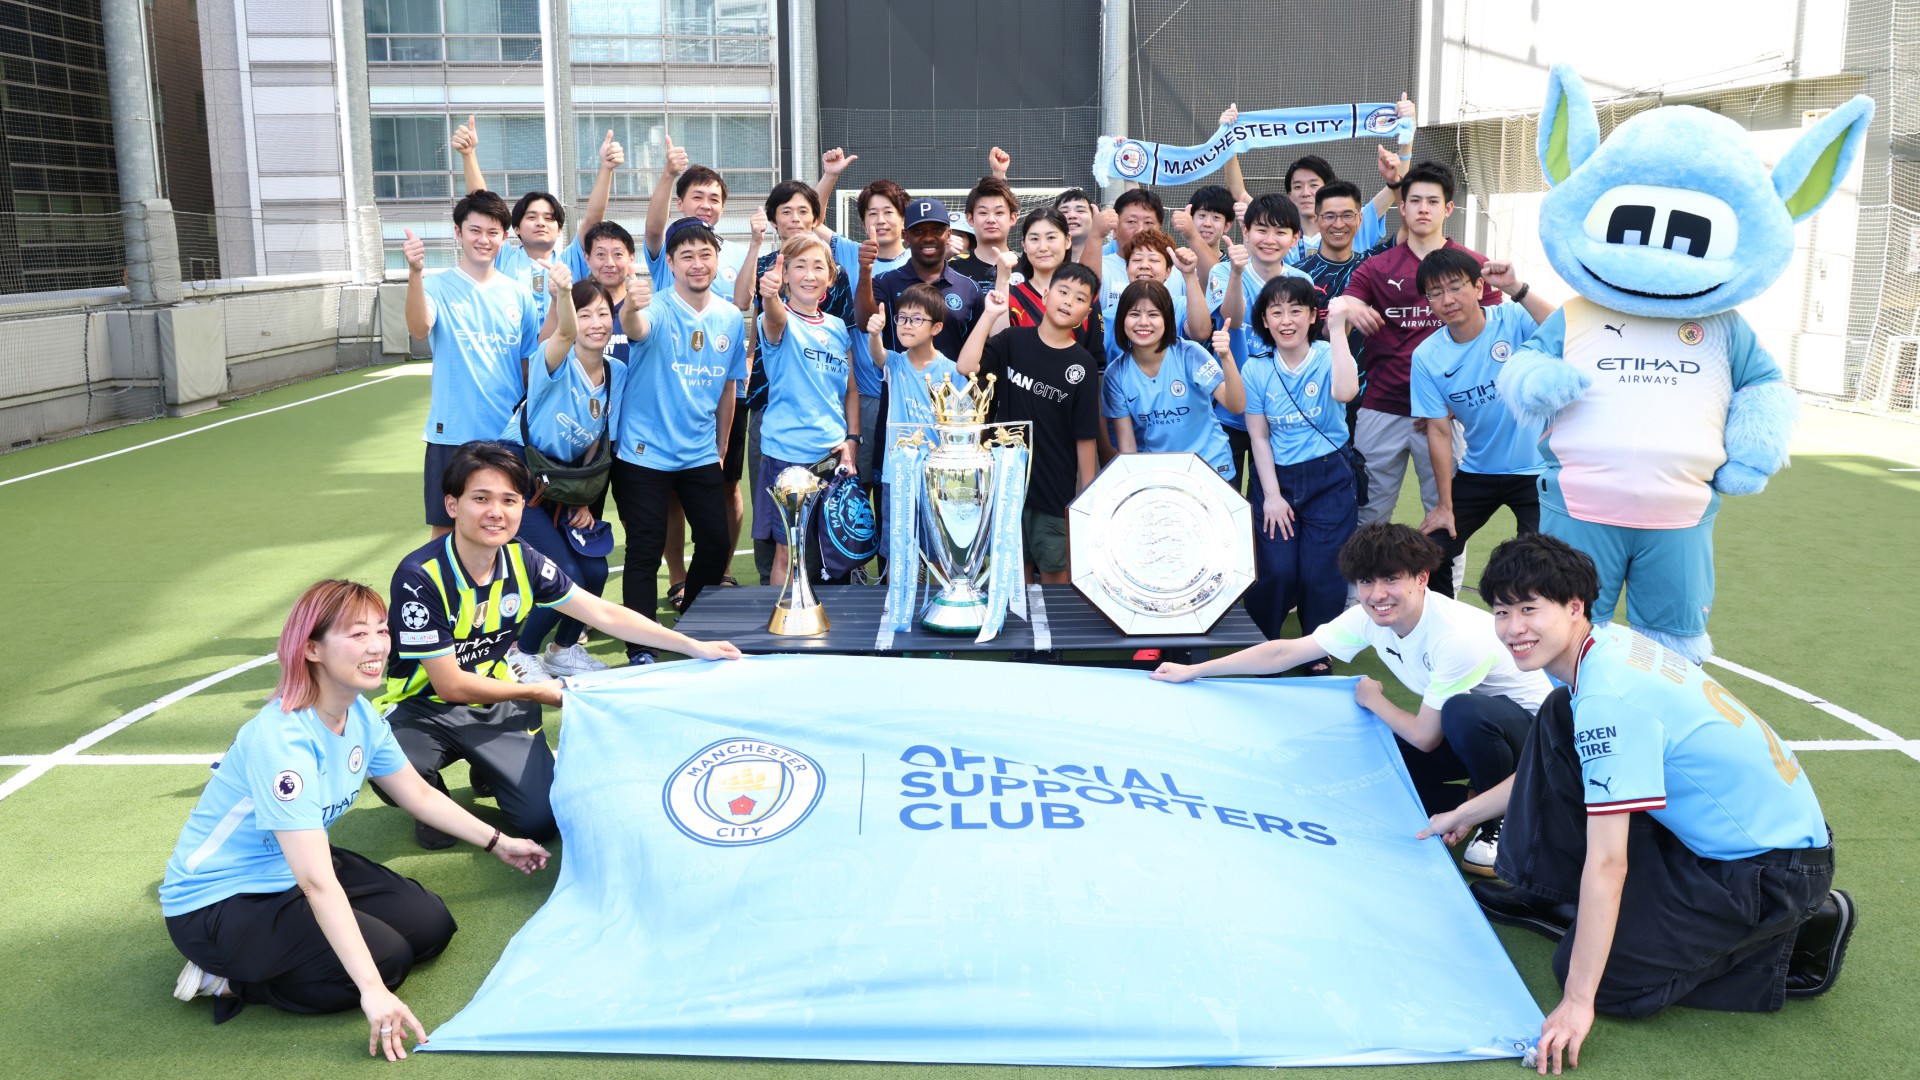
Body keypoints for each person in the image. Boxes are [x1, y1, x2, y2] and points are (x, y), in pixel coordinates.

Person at [1424, 533, 1854, 1074]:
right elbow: (1566, 770)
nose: (1513, 628)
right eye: (1503, 611)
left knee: (1605, 985)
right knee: (1559, 716)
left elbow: (1609, 861)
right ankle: (1568, 901)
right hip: (1717, 840)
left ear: (1574, 606)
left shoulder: (1609, 699)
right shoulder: (1607, 645)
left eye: (1529, 609)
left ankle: (1795, 938)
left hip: (1767, 872)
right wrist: (1463, 814)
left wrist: (1579, 1002)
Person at [163, 579, 552, 1053]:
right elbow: (316, 883)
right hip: (222, 901)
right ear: (312, 649)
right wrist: (371, 989)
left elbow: (419, 796)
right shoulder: (282, 740)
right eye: (356, 634)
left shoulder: (362, 716)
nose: (376, 646)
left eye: (382, 631)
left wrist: (499, 843)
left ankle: (308, 954)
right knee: (385, 963)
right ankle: (224, 981)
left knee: (430, 926)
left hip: (292, 869)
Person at [378, 442, 741, 849]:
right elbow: (449, 686)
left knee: (538, 822)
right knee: (391, 765)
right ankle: (433, 803)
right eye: (480, 498)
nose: (495, 512)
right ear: (452, 505)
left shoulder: (523, 559)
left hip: (496, 701)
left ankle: (489, 767)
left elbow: (603, 614)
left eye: (509, 500)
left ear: (521, 508)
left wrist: (693, 645)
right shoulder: (419, 576)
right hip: (424, 709)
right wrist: (538, 691)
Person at [1153, 523, 1553, 876]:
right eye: (1365, 582)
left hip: (1537, 743)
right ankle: (1475, 801)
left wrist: (1374, 698)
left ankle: (1500, 817)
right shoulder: (1368, 616)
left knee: (1464, 712)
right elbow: (1283, 652)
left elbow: (1426, 737)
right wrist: (1195, 670)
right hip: (1470, 734)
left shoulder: (1456, 636)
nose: (1377, 594)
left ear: (1421, 578)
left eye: (1391, 579)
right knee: (1372, 768)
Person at [1332, 162, 1501, 577]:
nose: (1423, 209)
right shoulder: (1376, 268)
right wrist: (1348, 304)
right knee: (1369, 512)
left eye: (1432, 201)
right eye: (1414, 201)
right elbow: (1337, 312)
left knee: (1446, 513)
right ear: (1402, 209)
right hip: (1382, 408)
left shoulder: (1475, 265)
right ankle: (1360, 602)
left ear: (1448, 208)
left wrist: (1459, 403)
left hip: (1445, 416)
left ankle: (1446, 604)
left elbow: (1497, 335)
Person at [614, 217, 747, 646]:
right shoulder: (656, 307)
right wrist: (630, 307)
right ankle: (641, 644)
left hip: (698, 451)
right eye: (686, 256)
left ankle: (691, 620)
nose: (697, 263)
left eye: (705, 254)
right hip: (643, 452)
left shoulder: (730, 317)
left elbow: (728, 386)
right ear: (670, 262)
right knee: (644, 550)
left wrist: (723, 440)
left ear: (716, 260)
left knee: (715, 539)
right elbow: (635, 328)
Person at [1408, 249, 1556, 597]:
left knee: (1540, 563)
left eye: (1456, 287)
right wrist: (1444, 506)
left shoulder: (1513, 318)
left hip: (1538, 471)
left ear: (1478, 287)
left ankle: (1538, 639)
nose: (1447, 299)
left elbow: (1563, 330)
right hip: (1479, 472)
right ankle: (1442, 625)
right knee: (1430, 552)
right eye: (1435, 293)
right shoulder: (1427, 357)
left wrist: (1516, 287)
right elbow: (1439, 430)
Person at [499, 277, 621, 681]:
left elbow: (597, 441)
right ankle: (519, 653)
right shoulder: (551, 360)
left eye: (603, 313)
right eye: (586, 314)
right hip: (517, 474)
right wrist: (564, 295)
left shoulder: (615, 372)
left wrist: (581, 499)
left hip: (560, 482)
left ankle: (562, 651)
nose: (595, 322)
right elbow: (565, 331)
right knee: (562, 571)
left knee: (597, 572)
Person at [1235, 276, 1360, 670]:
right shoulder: (1255, 369)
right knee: (1276, 568)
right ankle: (1259, 642)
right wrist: (1271, 496)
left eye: (1295, 310)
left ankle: (1315, 648)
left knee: (1321, 570)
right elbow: (1258, 437)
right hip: (1278, 479)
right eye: (1276, 312)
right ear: (1265, 321)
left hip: (1331, 475)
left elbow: (1345, 393)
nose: (1286, 320)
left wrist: (1337, 330)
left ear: (1310, 316)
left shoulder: (1328, 354)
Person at [401, 190, 541, 539]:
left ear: (505, 237)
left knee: (504, 527)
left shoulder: (518, 293)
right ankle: (443, 594)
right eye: (475, 230)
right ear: (458, 232)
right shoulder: (435, 286)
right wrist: (415, 273)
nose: (484, 239)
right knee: (446, 527)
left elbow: (527, 364)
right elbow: (419, 328)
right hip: (453, 432)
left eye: (493, 232)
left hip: (506, 435)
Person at [958, 263, 1103, 584]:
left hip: (1053, 492)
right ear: (1046, 295)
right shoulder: (1012, 340)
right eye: (1063, 292)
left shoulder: (1083, 364)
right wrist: (989, 315)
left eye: (1079, 298)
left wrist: (1086, 498)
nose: (1068, 301)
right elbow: (966, 366)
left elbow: (1085, 436)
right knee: (1013, 581)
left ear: (1087, 312)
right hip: (1006, 486)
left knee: (1056, 577)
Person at [756, 232, 859, 586]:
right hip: (787, 456)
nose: (809, 275)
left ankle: (836, 633)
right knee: (788, 551)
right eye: (799, 266)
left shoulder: (837, 328)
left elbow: (850, 391)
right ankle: (783, 636)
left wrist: (851, 441)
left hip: (831, 457)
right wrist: (768, 295)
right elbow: (774, 318)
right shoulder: (778, 318)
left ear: (831, 278)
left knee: (835, 548)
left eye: (818, 267)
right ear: (785, 275)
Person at [450, 114, 617, 329]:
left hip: (560, 352)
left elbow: (593, 219)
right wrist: (468, 154)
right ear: (515, 228)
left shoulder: (571, 260)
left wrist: (606, 168)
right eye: (531, 217)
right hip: (511, 353)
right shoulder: (502, 256)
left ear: (559, 230)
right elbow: (481, 206)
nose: (541, 223)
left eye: (549, 218)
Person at [1204, 195, 1314, 486]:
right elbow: (1233, 319)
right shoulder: (1224, 270)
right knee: (1224, 501)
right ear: (1247, 232)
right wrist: (1238, 273)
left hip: (1282, 416)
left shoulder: (1303, 281)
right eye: (1262, 230)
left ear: (1294, 238)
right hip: (1230, 413)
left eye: (1280, 232)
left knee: (1272, 505)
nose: (1270, 239)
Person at [1104, 279, 1244, 485]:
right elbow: (1128, 448)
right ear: (1121, 319)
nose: (1143, 322)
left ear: (1167, 319)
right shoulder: (1115, 374)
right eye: (1134, 314)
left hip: (1212, 468)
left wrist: (1227, 358)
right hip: (1161, 477)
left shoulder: (1188, 354)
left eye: (1153, 315)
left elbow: (1237, 405)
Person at [861, 196, 985, 360]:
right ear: (906, 237)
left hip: (954, 385)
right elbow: (864, 324)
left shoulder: (970, 289)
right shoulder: (885, 282)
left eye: (937, 230)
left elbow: (982, 350)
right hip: (902, 384)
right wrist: (864, 271)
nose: (928, 237)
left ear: (948, 235)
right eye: (919, 231)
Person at [642, 138, 748, 296]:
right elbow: (653, 231)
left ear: (722, 208)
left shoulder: (741, 255)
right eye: (697, 198)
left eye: (714, 200)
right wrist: (669, 174)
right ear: (680, 203)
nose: (706, 205)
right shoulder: (666, 246)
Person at [998, 206, 1102, 358]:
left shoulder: (1086, 297)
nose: (1043, 247)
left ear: (1067, 241)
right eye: (1034, 239)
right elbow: (1001, 349)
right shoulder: (1010, 297)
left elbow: (1096, 361)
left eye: (1051, 237)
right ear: (1024, 245)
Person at [949, 175, 1020, 289]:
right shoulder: (953, 266)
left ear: (1012, 218)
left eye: (999, 213)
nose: (991, 220)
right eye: (983, 213)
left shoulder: (1027, 265)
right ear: (970, 219)